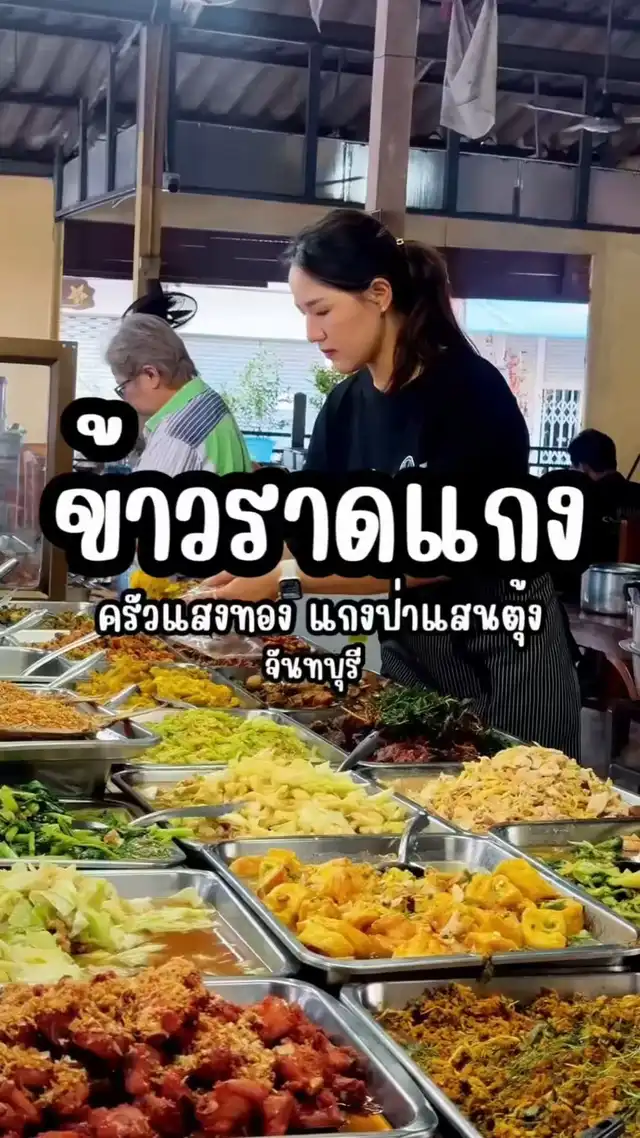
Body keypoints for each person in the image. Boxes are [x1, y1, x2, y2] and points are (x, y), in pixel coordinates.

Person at [189, 208, 581, 755]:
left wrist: (285, 581)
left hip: (504, 647)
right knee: (411, 784)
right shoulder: (345, 405)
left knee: (518, 790)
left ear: (379, 294)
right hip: (414, 645)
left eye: (322, 310)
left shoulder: (469, 392)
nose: (312, 333)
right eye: (304, 313)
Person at [106, 296, 252, 478]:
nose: (125, 398)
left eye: (123, 387)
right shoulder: (208, 401)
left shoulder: (175, 438)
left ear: (151, 375)